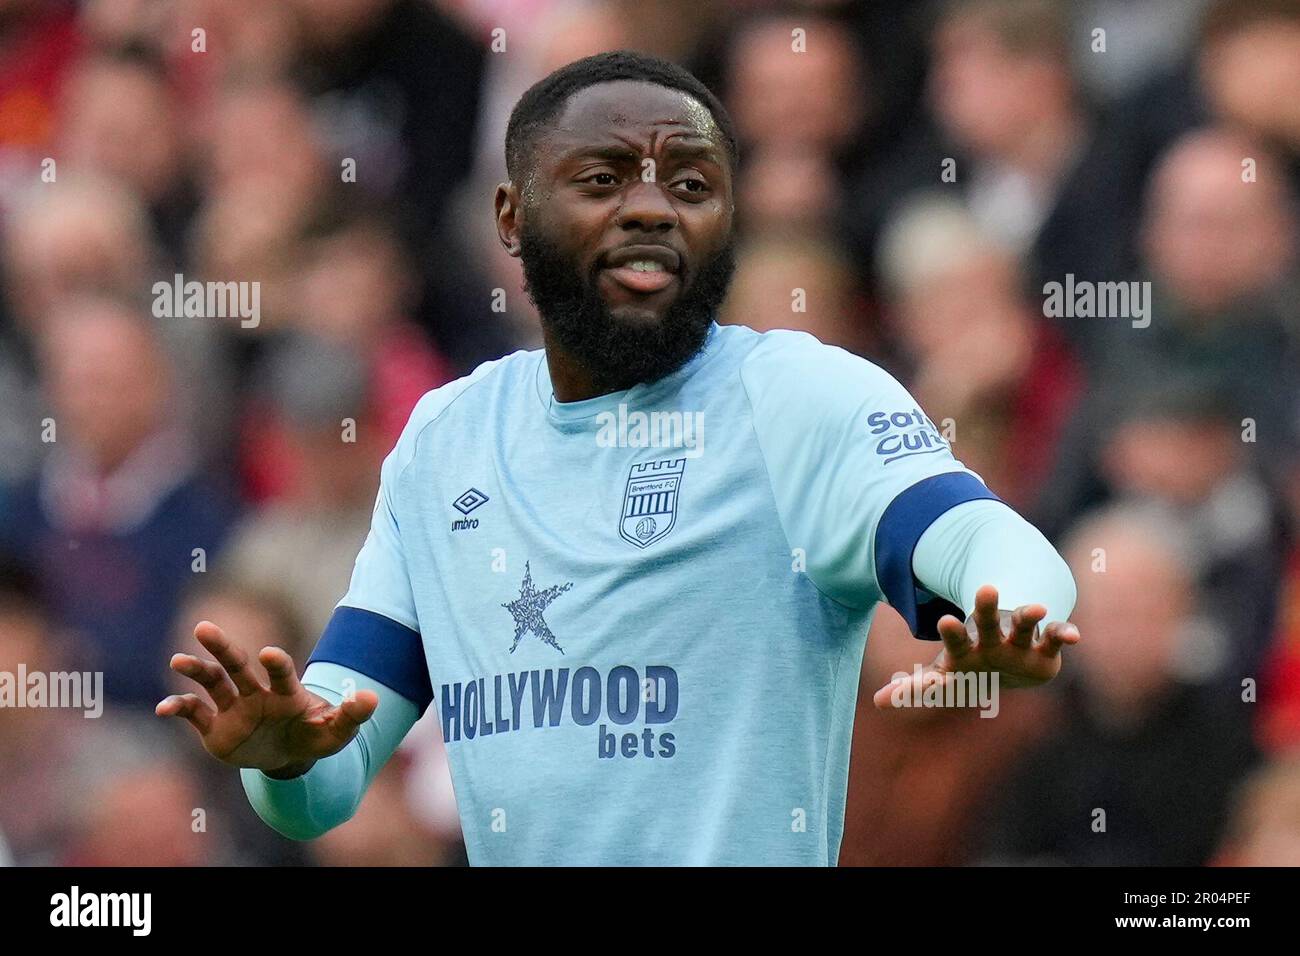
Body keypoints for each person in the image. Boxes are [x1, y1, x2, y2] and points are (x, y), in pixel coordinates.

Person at [158, 50, 1079, 866]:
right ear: (512, 217)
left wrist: (1023, 614)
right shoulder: (445, 443)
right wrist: (278, 758)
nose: (650, 209)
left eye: (690, 183)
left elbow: (984, 542)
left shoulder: (800, 400)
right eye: (602, 180)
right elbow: (326, 778)